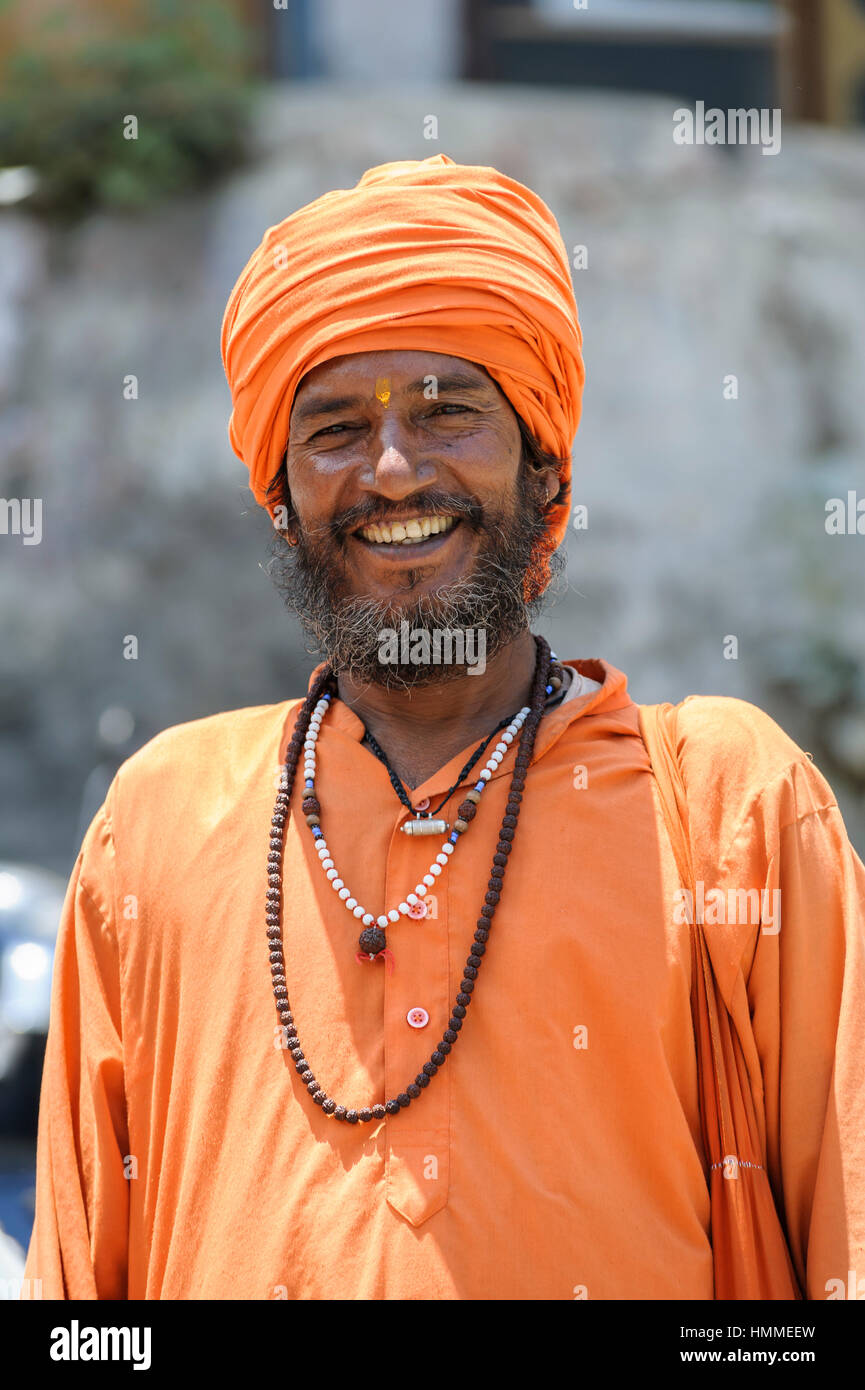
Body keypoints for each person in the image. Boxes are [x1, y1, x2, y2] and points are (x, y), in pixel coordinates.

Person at [24, 156, 865, 1300]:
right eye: (331, 429)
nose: (391, 467)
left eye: (448, 408)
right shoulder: (163, 818)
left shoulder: (728, 808)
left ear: (544, 460)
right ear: (280, 496)